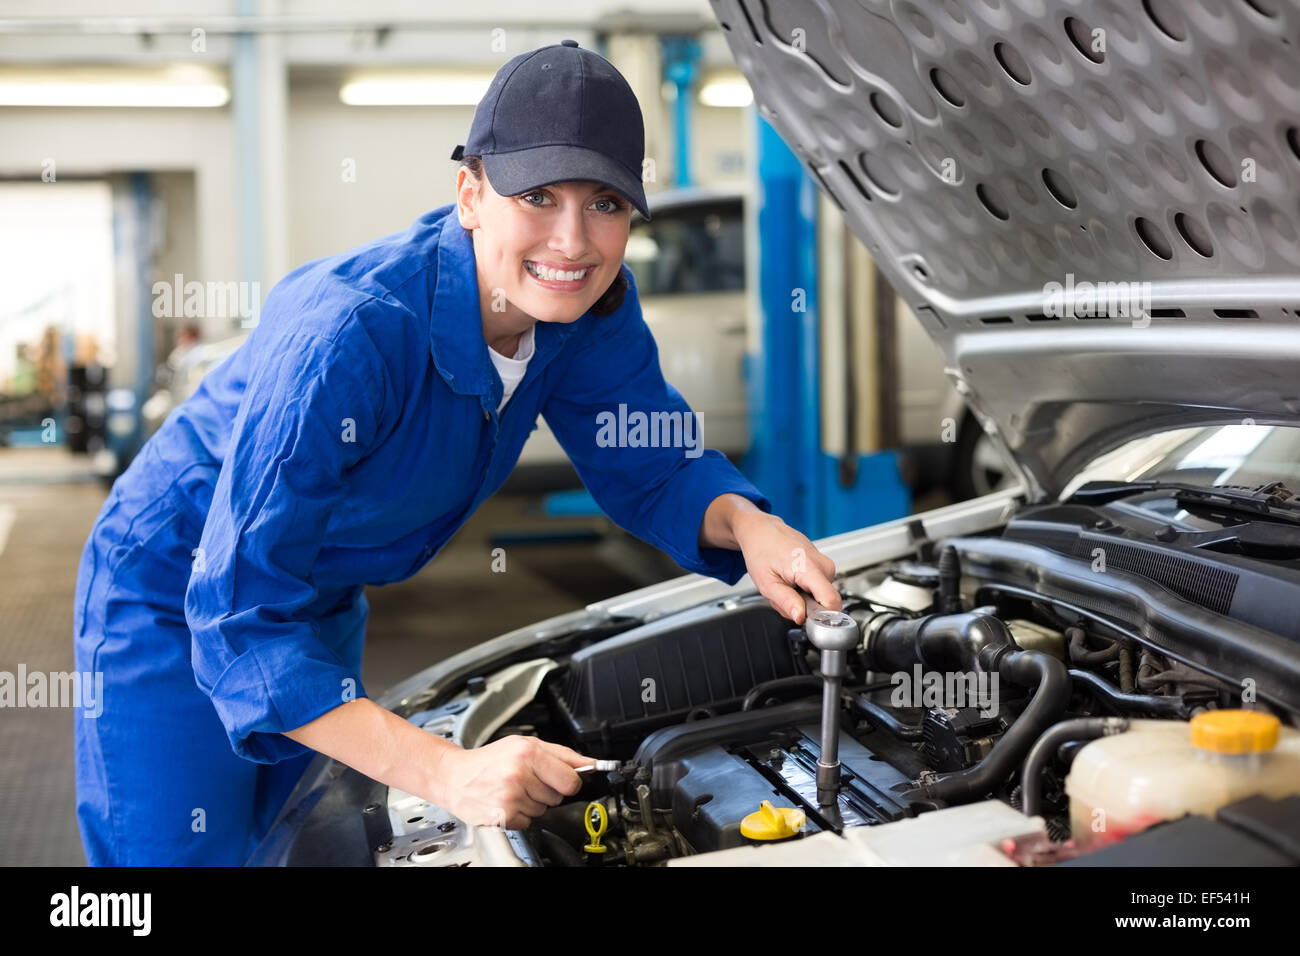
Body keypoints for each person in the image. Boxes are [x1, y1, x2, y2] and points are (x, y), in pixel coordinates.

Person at [73, 39, 840, 866]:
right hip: (175, 586)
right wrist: (450, 772)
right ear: (470, 192)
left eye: (607, 203)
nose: (573, 241)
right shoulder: (352, 333)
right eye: (538, 195)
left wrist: (750, 526)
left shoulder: (588, 314)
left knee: (287, 844)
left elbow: (655, 458)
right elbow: (238, 617)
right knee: (179, 854)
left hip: (315, 592)